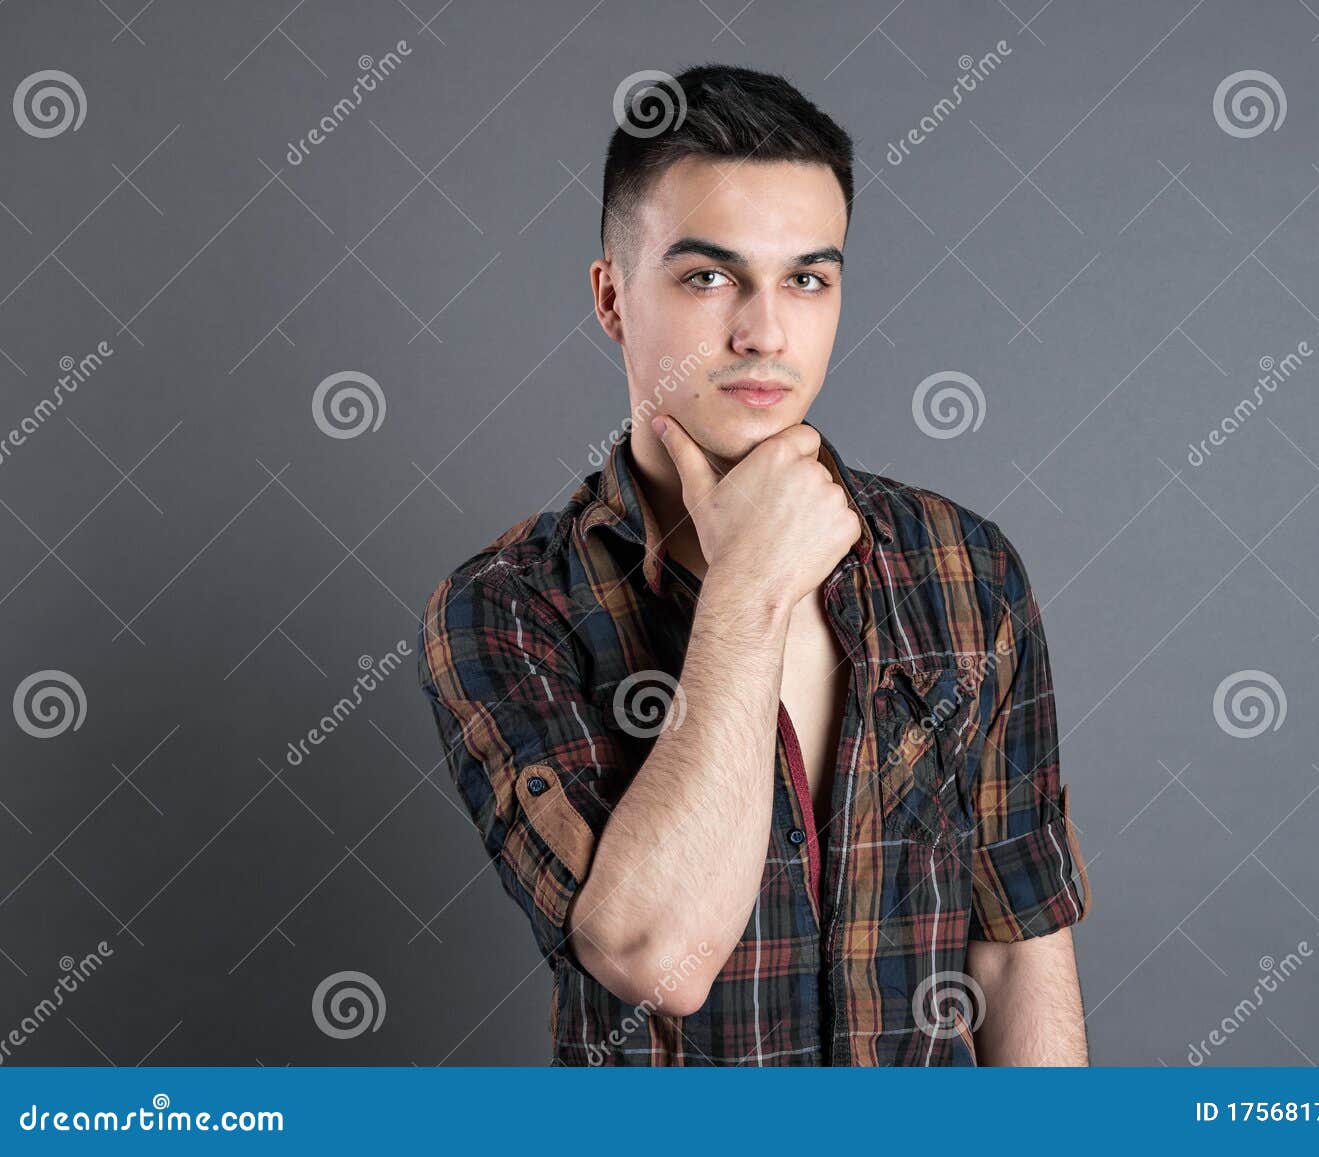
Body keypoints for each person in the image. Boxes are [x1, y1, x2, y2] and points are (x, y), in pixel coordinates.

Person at [417, 62, 1091, 1066]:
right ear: (612, 298)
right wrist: (747, 591)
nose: (764, 331)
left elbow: (1016, 952)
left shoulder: (965, 568)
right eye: (708, 277)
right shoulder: (510, 607)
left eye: (806, 279)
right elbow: (657, 957)